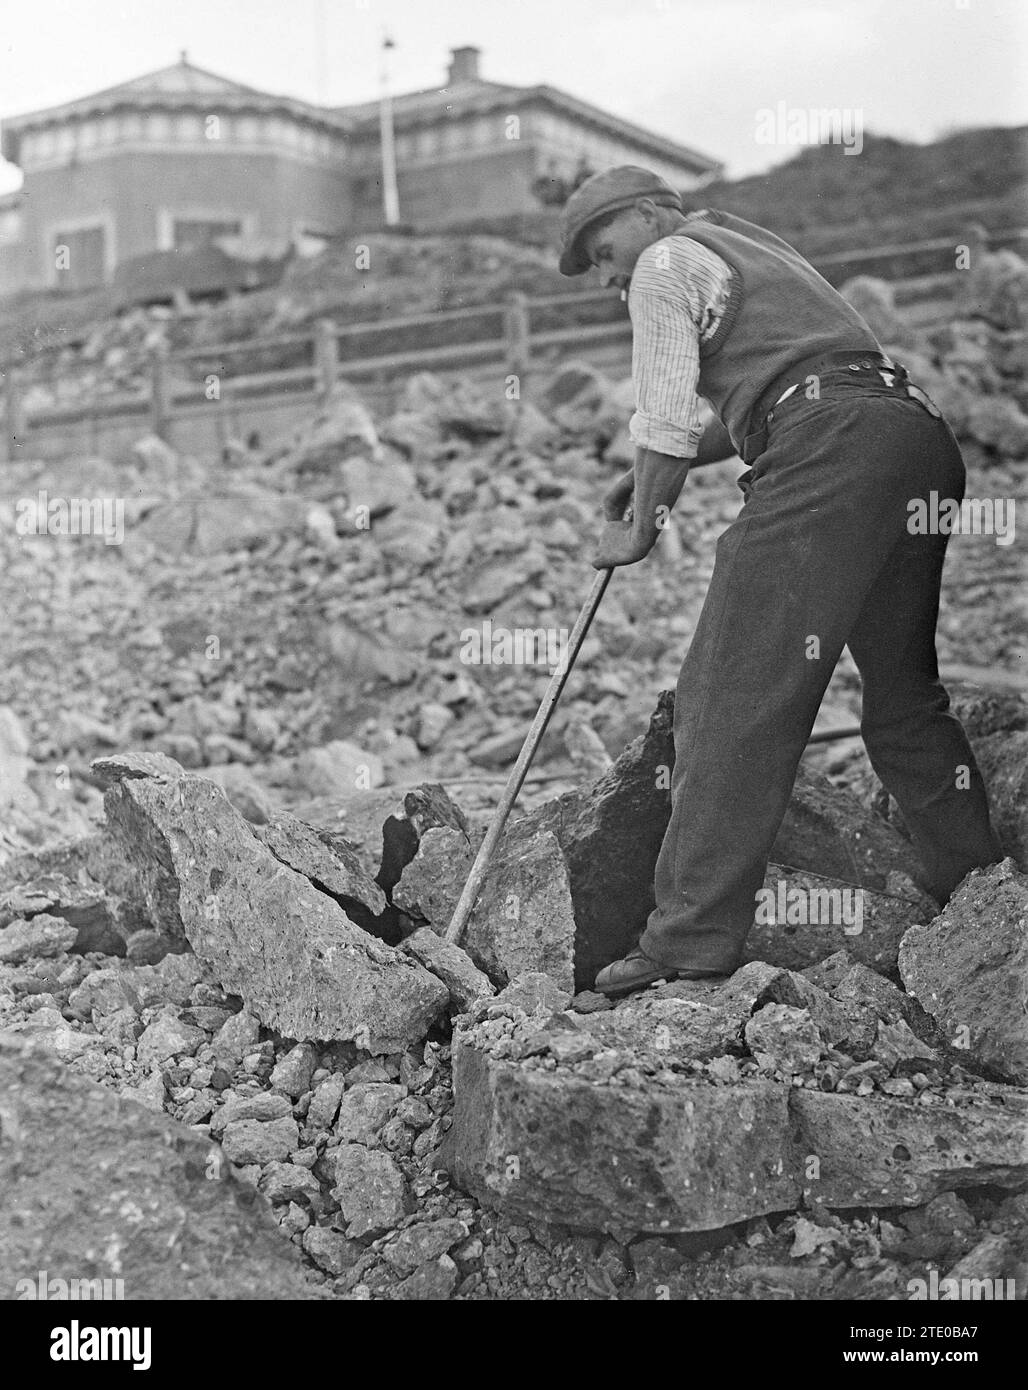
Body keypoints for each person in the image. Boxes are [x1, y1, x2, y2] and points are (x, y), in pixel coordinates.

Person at [556, 166, 1004, 998]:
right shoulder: (755, 247)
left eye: (605, 250)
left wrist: (642, 522)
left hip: (831, 454)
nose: (612, 275)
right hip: (912, 438)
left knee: (732, 690)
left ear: (649, 215)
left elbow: (660, 415)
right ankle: (983, 888)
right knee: (905, 696)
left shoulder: (663, 265)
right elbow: (793, 385)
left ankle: (688, 938)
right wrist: (670, 464)